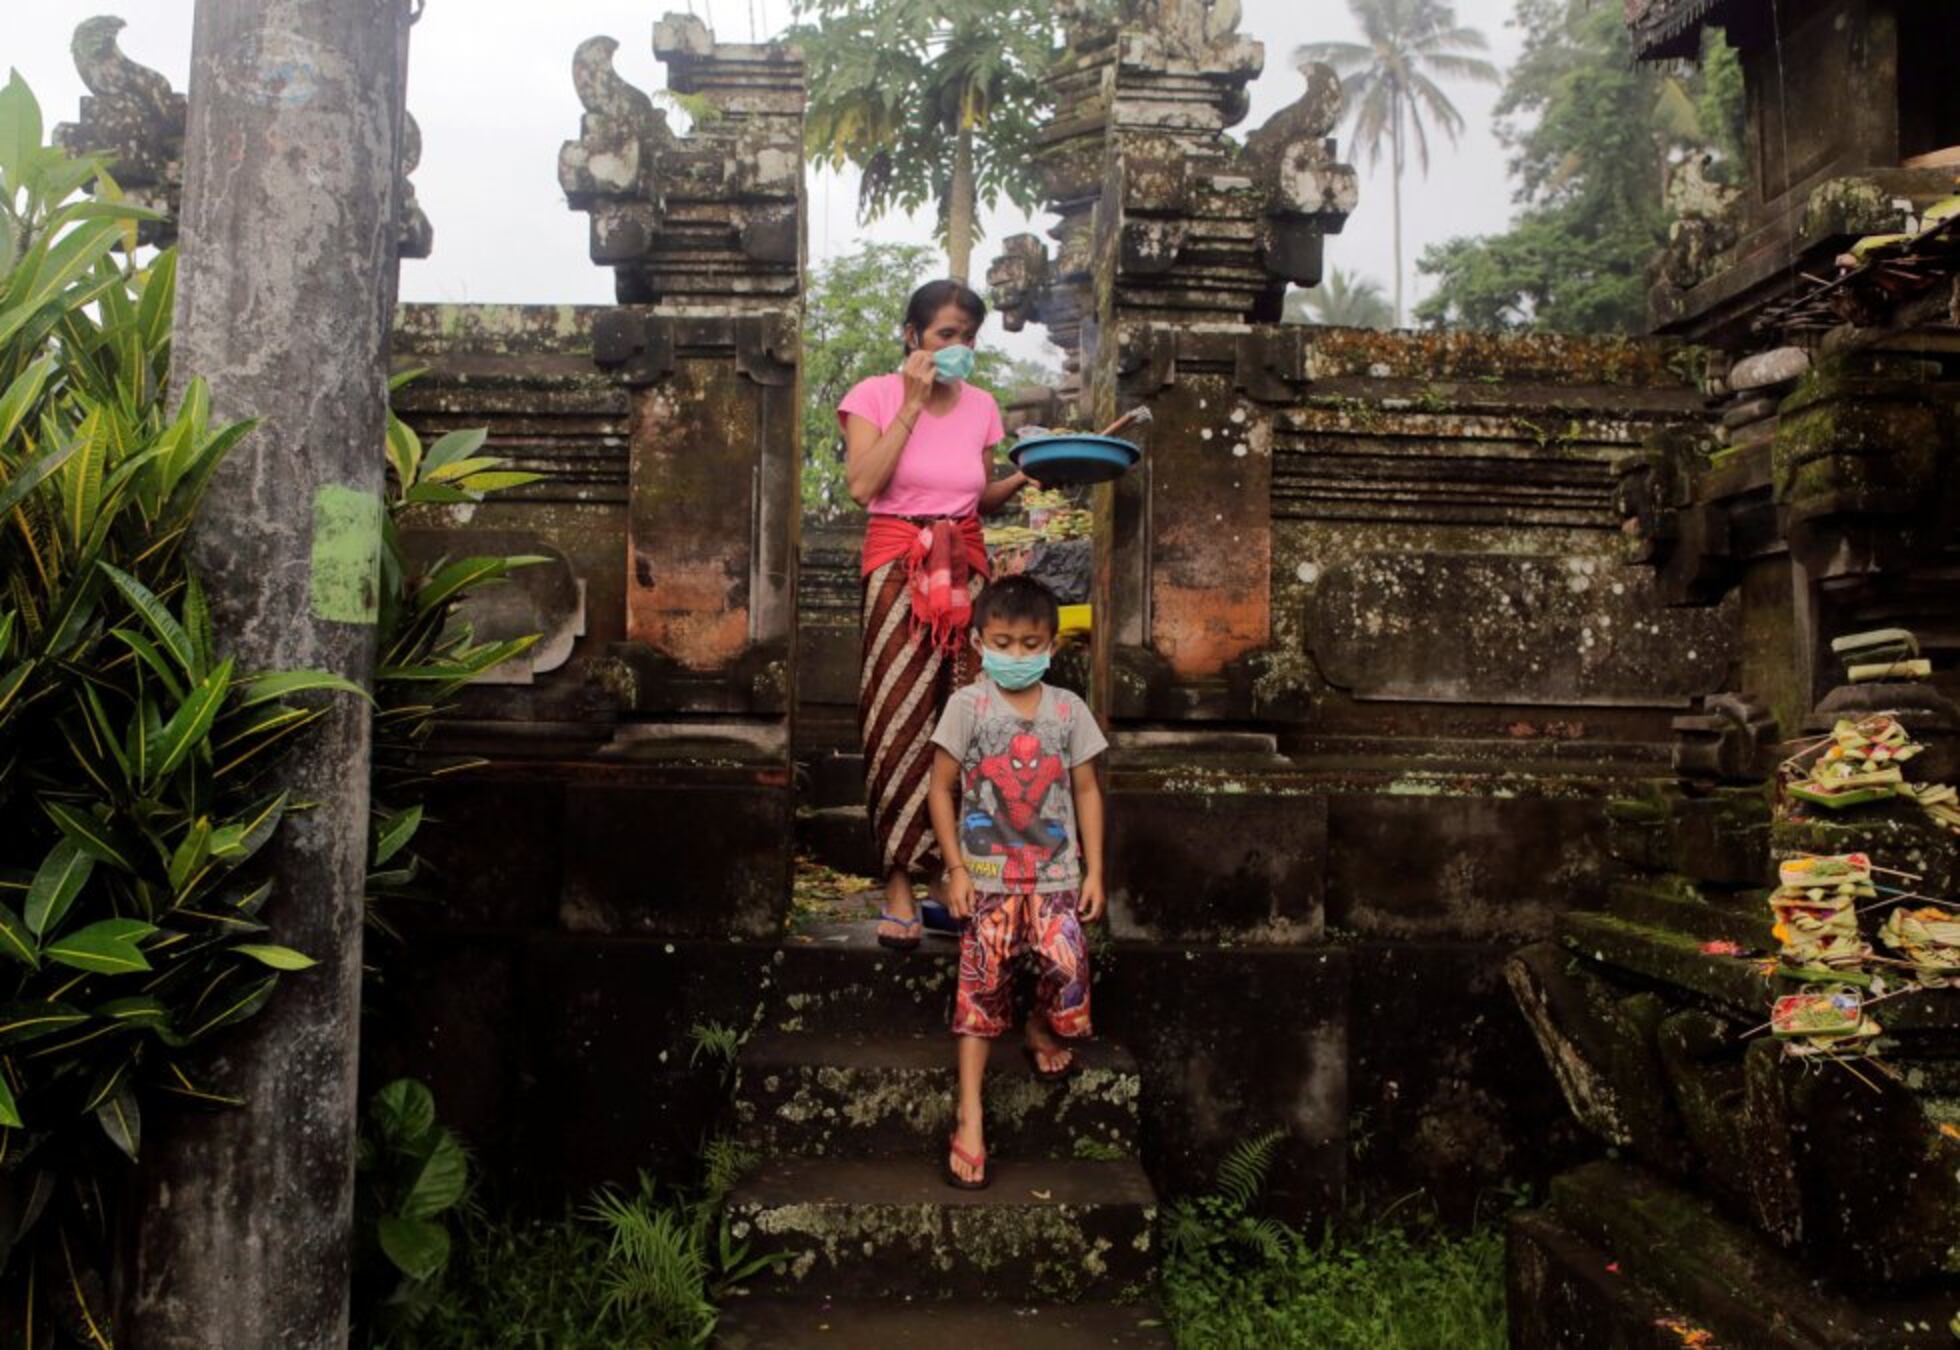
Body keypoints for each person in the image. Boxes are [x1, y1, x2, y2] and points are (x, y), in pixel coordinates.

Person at [842, 279, 1031, 951]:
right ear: (913, 336)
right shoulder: (873, 395)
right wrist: (913, 404)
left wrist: (1032, 475)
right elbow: (864, 485)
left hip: (966, 571)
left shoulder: (982, 406)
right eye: (947, 335)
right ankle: (897, 885)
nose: (959, 349)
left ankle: (950, 884)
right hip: (900, 569)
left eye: (969, 338)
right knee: (897, 720)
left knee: (965, 729)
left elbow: (976, 497)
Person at [925, 575, 1107, 1189]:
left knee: (1069, 966)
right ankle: (970, 1115)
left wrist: (1094, 870)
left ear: (1053, 645)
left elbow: (1085, 789)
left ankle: (1037, 1026)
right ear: (979, 641)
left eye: (1032, 644)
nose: (1019, 655)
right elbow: (939, 789)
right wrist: (954, 869)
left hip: (1055, 875)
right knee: (979, 994)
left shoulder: (1067, 710)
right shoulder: (967, 707)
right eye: (1004, 641)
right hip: (986, 879)